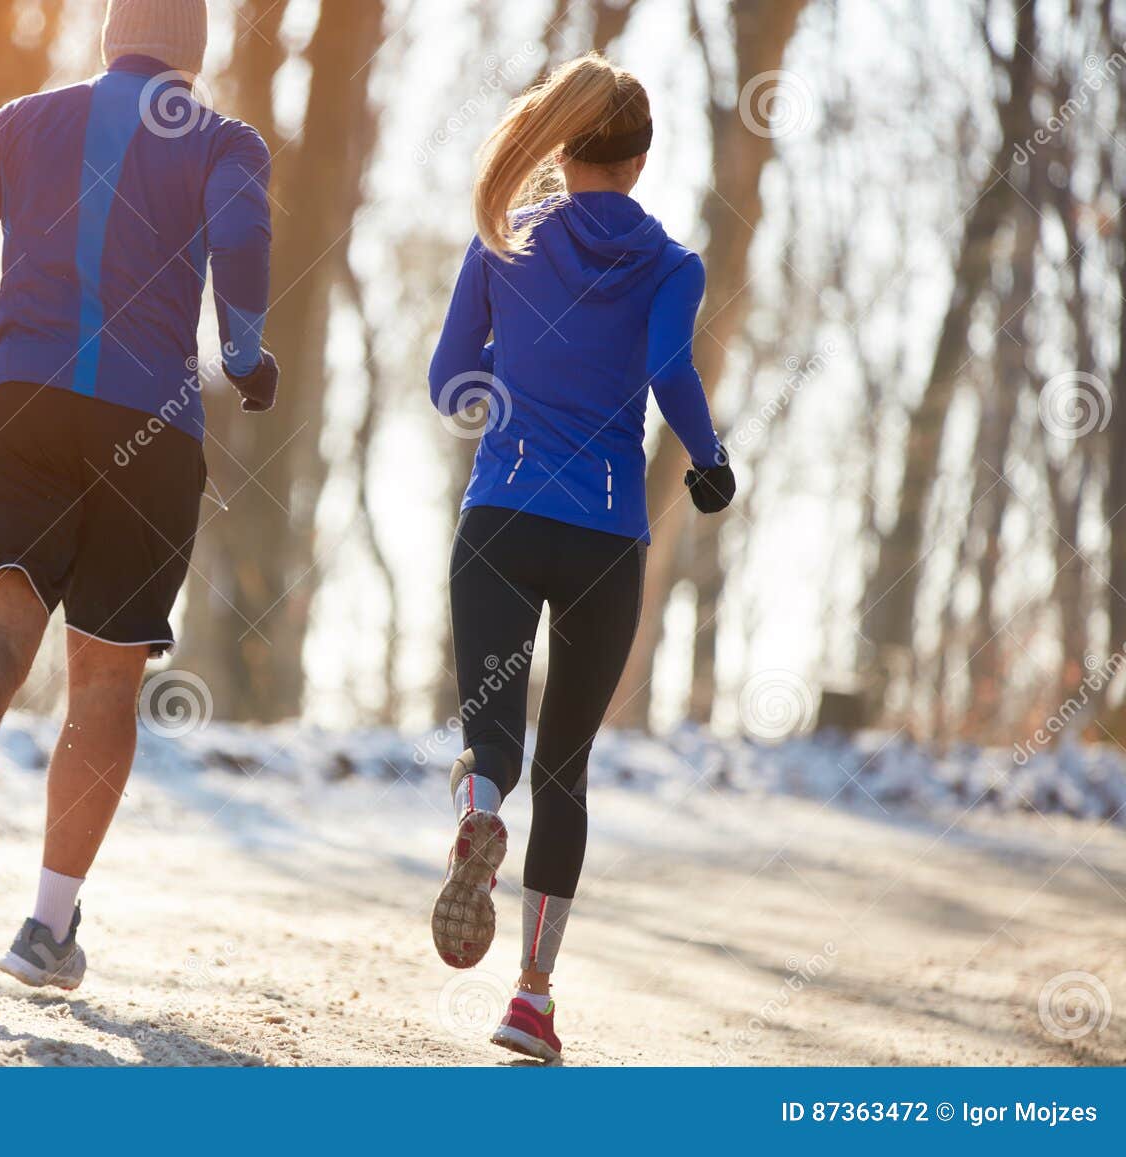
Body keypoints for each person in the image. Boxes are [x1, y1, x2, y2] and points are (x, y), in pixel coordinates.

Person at [0, 0, 277, 991]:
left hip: (16, 406)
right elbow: (242, 244)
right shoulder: (224, 142)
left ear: (110, 35)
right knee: (104, 680)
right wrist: (244, 353)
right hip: (147, 426)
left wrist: (1, 331)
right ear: (194, 53)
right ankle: (45, 926)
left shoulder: (24, 119)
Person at [427, 51, 735, 1062]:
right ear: (641, 162)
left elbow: (448, 381)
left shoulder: (503, 235)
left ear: (562, 145)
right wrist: (709, 458)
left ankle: (477, 812)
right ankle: (529, 997)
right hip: (604, 534)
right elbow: (665, 369)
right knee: (565, 768)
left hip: (501, 517)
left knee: (494, 732)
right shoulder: (670, 263)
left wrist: (503, 397)